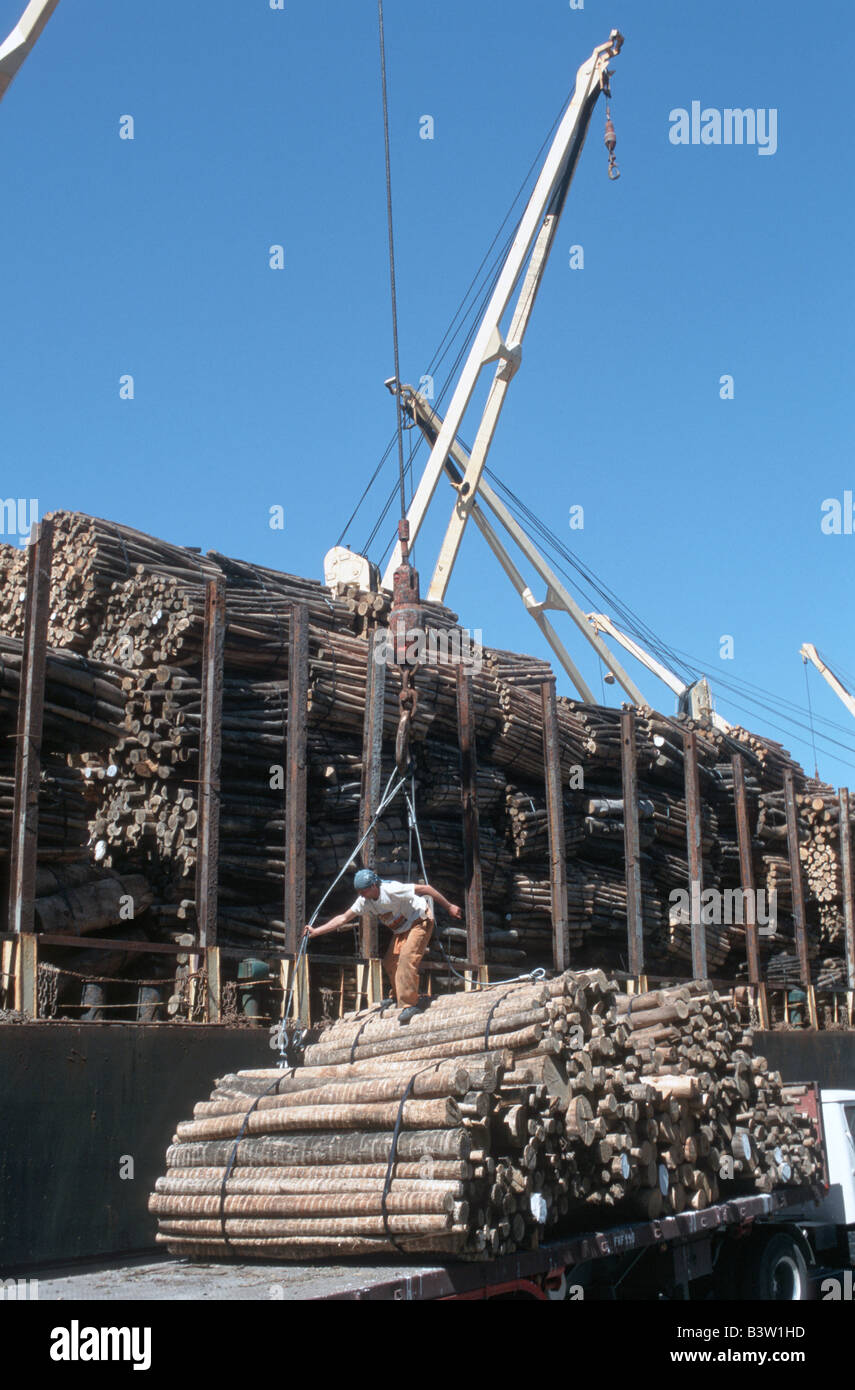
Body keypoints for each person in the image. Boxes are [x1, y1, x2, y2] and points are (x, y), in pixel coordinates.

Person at [305, 869, 462, 1023]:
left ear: (374, 886)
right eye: (359, 892)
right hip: (402, 929)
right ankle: (396, 995)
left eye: (363, 891)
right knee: (390, 962)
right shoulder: (364, 901)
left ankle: (410, 1003)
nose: (361, 895)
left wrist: (449, 907)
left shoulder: (392, 889)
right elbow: (342, 919)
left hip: (420, 920)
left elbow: (425, 889)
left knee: (407, 959)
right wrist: (316, 931)